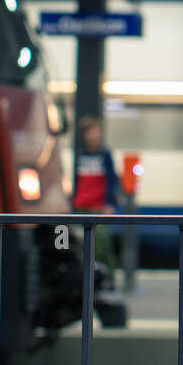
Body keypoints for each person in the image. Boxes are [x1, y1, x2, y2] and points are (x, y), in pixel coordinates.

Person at [73, 116, 121, 287]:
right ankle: (88, 279)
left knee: (102, 244)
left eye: (96, 132)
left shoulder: (105, 155)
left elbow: (111, 180)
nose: (94, 136)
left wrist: (109, 204)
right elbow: (76, 180)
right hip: (81, 206)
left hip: (98, 207)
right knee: (81, 244)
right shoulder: (80, 154)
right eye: (91, 132)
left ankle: (110, 278)